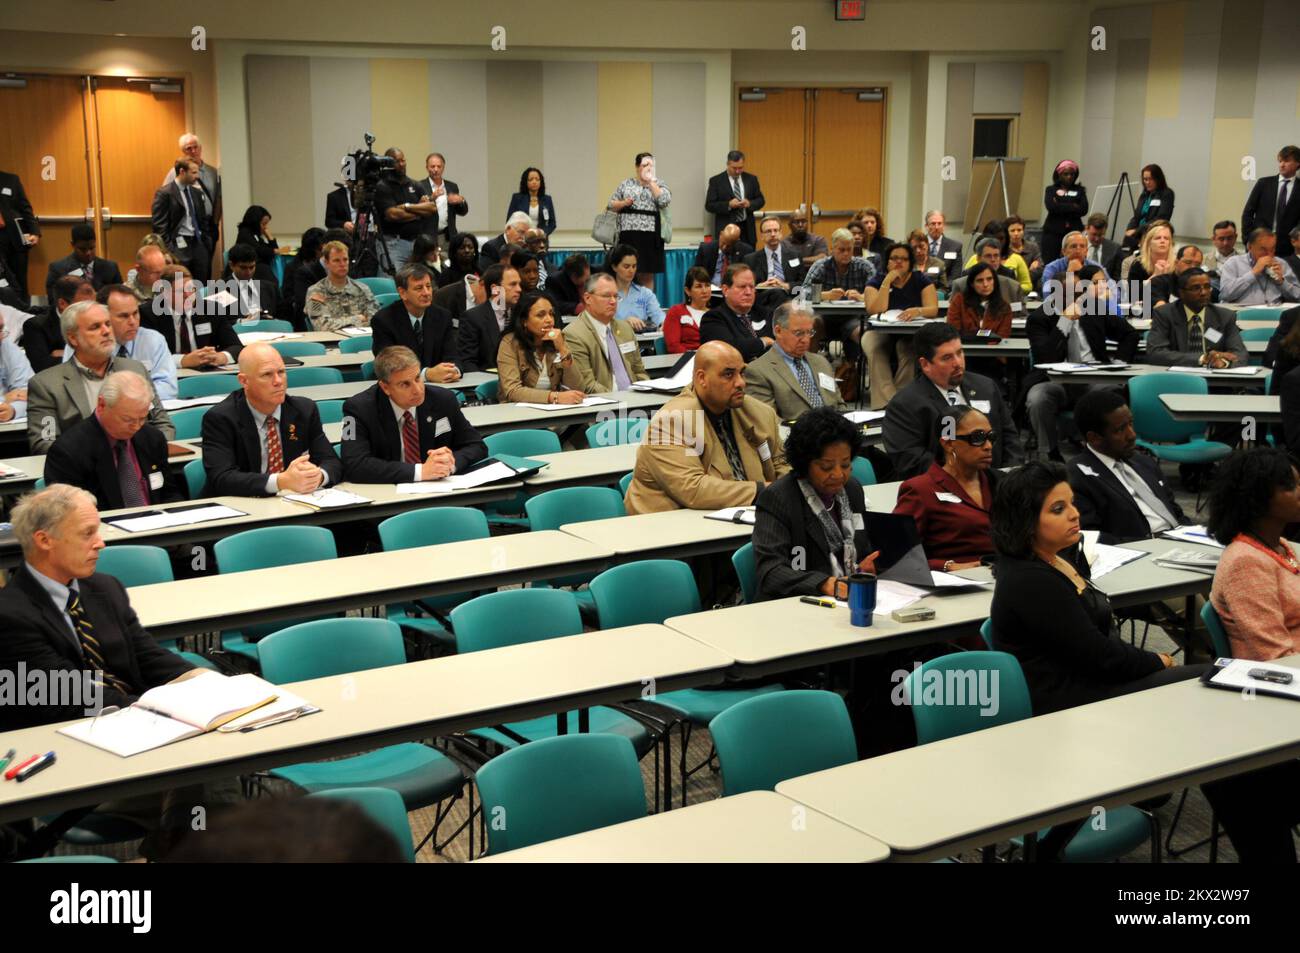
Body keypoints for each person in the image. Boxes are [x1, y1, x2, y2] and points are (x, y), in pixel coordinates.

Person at [0, 483, 199, 731]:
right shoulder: (10, 615)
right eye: (87, 533)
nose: (100, 543)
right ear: (44, 540)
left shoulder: (105, 587)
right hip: (66, 731)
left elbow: (146, 654)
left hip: (128, 716)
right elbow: (70, 695)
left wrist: (201, 680)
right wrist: (164, 714)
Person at [625, 340, 787, 513]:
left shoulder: (759, 412)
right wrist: (765, 491)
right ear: (702, 378)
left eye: (742, 373)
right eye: (728, 375)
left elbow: (782, 463)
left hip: (746, 514)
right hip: (670, 524)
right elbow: (693, 489)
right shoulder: (671, 421)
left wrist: (788, 489)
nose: (741, 383)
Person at [753, 407, 876, 599]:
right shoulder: (779, 498)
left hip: (848, 599)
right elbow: (771, 572)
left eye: (845, 464)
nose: (838, 474)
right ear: (804, 464)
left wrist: (865, 564)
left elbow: (861, 545)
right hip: (794, 607)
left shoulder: (852, 490)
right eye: (826, 467)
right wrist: (825, 584)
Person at [27, 300, 173, 454]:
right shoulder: (46, 385)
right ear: (73, 338)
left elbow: (162, 423)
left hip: (139, 463)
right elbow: (45, 443)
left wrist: (151, 452)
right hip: (84, 470)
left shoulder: (135, 369)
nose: (106, 331)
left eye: (108, 324)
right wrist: (100, 458)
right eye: (95, 327)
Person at [1024, 265, 1139, 460]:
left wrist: (1118, 361)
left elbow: (1130, 334)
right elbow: (1046, 357)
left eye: (1079, 291)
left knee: (1113, 391)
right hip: (1055, 381)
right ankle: (1049, 452)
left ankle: (1107, 449)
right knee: (1038, 398)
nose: (1077, 297)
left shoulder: (1093, 307)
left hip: (1092, 377)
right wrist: (1065, 320)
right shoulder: (1039, 318)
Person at [882, 322, 1022, 480]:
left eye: (960, 353)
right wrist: (965, 477)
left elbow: (1010, 437)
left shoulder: (986, 387)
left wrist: (1010, 476)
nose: (958, 363)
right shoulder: (905, 405)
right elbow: (911, 461)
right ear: (925, 364)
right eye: (947, 358)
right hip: (943, 488)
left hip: (998, 482)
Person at [200, 342, 341, 496]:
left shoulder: (304, 409)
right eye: (267, 374)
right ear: (244, 381)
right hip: (243, 504)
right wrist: (280, 481)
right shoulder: (221, 418)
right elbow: (222, 478)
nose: (278, 381)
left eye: (281, 372)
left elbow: (332, 462)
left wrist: (317, 476)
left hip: (292, 502)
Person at [342, 345, 487, 483]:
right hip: (389, 493)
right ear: (385, 387)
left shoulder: (444, 400)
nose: (417, 390)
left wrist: (449, 463)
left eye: (418, 378)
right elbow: (354, 464)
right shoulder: (356, 409)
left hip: (439, 488)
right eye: (405, 384)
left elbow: (477, 446)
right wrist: (420, 471)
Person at [43, 371, 183, 510]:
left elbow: (168, 492)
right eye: (127, 419)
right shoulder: (69, 451)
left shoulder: (152, 438)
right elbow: (69, 514)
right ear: (102, 405)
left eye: (142, 418)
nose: (136, 427)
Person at [1208, 447, 1300, 659]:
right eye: (1290, 486)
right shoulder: (1245, 562)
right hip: (1279, 679)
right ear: (1257, 498)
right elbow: (1276, 656)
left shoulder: (1281, 545)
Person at [1068, 386, 1187, 544]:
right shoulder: (1077, 477)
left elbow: (1175, 512)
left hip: (1180, 543)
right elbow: (1091, 537)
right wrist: (1153, 543)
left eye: (1131, 423)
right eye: (1120, 429)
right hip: (1140, 552)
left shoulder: (1144, 462)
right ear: (1095, 438)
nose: (1132, 435)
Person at [893, 405, 1001, 570]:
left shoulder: (999, 482)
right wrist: (948, 566)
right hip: (955, 584)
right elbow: (897, 554)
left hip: (1002, 575)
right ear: (949, 444)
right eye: (977, 437)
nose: (988, 446)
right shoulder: (920, 490)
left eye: (991, 437)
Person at [858, 242, 939, 408]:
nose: (899, 262)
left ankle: (902, 401)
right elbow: (875, 310)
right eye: (894, 258)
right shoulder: (876, 281)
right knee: (874, 348)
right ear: (887, 262)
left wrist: (918, 310)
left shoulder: (920, 279)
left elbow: (933, 309)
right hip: (878, 332)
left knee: (909, 350)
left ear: (911, 262)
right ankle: (886, 403)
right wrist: (887, 281)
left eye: (904, 259)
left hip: (910, 333)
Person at [743, 301, 845, 419]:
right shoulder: (759, 371)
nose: (806, 340)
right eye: (799, 333)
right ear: (778, 331)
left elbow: (839, 404)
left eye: (809, 332)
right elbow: (769, 422)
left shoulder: (821, 362)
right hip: (795, 434)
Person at [370, 263, 459, 384]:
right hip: (400, 388)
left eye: (428, 286)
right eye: (419, 288)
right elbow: (390, 367)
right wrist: (426, 374)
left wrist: (453, 371)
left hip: (440, 385)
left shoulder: (443, 316)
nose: (426, 293)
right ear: (403, 293)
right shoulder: (384, 320)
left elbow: (453, 356)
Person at [146, 264, 243, 369]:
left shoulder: (211, 309)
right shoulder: (149, 314)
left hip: (208, 373)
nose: (188, 296)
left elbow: (236, 346)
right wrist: (183, 360)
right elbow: (148, 357)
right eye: (180, 291)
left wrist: (221, 357)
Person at [564, 274, 649, 393]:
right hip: (604, 404)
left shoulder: (625, 328)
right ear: (588, 298)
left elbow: (639, 371)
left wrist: (645, 391)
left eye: (616, 296)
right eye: (606, 296)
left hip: (635, 399)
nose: (613, 301)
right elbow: (587, 385)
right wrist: (621, 399)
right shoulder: (574, 334)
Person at [496, 292, 585, 404]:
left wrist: (563, 349)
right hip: (517, 414)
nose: (549, 320)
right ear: (524, 321)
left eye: (551, 314)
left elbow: (578, 388)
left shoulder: (557, 340)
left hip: (554, 413)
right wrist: (555, 397)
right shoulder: (510, 343)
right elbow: (513, 391)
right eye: (540, 315)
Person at [1147, 268, 1248, 367]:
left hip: (1215, 377)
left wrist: (1223, 362)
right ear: (1181, 293)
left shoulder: (1225, 316)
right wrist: (1202, 359)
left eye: (1207, 287)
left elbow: (1240, 354)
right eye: (1196, 288)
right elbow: (1155, 353)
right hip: (1176, 376)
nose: (1203, 293)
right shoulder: (1164, 314)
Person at [94, 284, 177, 401]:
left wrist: (130, 399)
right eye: (123, 316)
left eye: (135, 313)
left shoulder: (153, 340)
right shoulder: (87, 345)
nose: (132, 322)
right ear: (103, 316)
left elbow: (168, 388)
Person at [608, 152, 672, 283]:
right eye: (645, 165)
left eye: (651, 165)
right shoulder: (626, 184)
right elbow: (611, 205)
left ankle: (645, 303)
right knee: (626, 272)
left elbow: (664, 200)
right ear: (637, 167)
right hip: (628, 236)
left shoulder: (659, 184)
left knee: (647, 274)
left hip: (650, 237)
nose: (649, 168)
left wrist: (651, 182)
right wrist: (624, 203)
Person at [374, 148, 437, 276]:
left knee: (416, 282)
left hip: (416, 244)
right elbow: (392, 214)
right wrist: (419, 210)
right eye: (397, 161)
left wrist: (407, 207)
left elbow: (431, 208)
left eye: (403, 160)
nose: (402, 164)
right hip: (393, 244)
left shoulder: (415, 184)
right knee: (393, 282)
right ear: (388, 165)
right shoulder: (382, 186)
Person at [150, 158, 212, 283]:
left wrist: (206, 241)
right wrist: (169, 250)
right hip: (178, 246)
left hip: (198, 243)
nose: (197, 176)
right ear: (182, 172)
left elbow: (203, 219)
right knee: (180, 283)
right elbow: (159, 225)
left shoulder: (196, 192)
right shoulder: (164, 193)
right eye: (193, 172)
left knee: (202, 281)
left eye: (197, 172)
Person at [20, 274, 94, 373]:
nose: (90, 310)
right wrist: (85, 356)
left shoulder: (98, 321)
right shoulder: (36, 326)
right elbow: (42, 366)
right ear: (62, 304)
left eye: (93, 304)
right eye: (83, 306)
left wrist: (66, 354)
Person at [700, 263, 771, 362]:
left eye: (751, 287)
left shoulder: (765, 313)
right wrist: (763, 342)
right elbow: (729, 350)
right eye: (742, 287)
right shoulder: (713, 318)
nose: (748, 292)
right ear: (725, 290)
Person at [457, 263, 520, 374]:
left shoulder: (522, 314)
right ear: (495, 289)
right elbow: (468, 361)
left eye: (519, 284)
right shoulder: (473, 318)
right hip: (487, 383)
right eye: (513, 285)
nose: (519, 289)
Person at [304, 240, 379, 333]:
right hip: (332, 343)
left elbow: (376, 320)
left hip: (362, 339)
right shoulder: (316, 291)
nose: (342, 264)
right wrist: (357, 319)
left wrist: (340, 324)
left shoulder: (362, 289)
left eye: (345, 259)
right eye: (336, 260)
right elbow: (323, 326)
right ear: (326, 263)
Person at [1242, 146, 1300, 256]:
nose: (1282, 165)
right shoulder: (1264, 183)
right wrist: (1247, 239)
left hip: (1287, 248)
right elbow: (1248, 213)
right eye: (1280, 161)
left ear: (1297, 163)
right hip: (1259, 243)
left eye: (1287, 161)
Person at [44, 223, 122, 304]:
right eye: (82, 249)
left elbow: (120, 298)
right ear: (72, 245)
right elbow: (54, 302)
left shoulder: (111, 267)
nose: (88, 253)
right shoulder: (58, 269)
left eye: (92, 248)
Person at [1218, 227, 1300, 305]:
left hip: (1274, 314)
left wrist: (1282, 282)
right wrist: (1253, 273)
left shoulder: (1281, 264)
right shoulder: (1233, 263)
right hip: (1242, 314)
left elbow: (1298, 296)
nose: (1269, 254)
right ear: (1249, 247)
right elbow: (1225, 295)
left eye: (1272, 249)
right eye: (1263, 249)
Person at [162, 133, 222, 233]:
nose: (193, 151)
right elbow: (165, 198)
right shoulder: (175, 172)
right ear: (183, 151)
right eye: (189, 148)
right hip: (185, 224)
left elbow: (218, 199)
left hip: (208, 224)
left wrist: (215, 223)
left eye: (196, 147)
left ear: (200, 148)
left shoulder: (213, 172)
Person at [704, 150, 764, 247]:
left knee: (748, 259)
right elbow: (709, 205)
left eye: (740, 168)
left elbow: (761, 200)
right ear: (728, 164)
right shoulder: (716, 181)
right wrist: (728, 205)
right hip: (727, 229)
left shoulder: (751, 179)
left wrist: (750, 203)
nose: (737, 171)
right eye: (734, 168)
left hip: (747, 229)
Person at [800, 228, 876, 301]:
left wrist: (861, 297)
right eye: (842, 250)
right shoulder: (820, 266)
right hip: (825, 313)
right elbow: (803, 293)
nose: (846, 253)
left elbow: (878, 293)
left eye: (849, 249)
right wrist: (825, 295)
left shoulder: (865, 266)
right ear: (832, 249)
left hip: (858, 313)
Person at [0, 167, 40, 299]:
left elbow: (25, 207)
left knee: (20, 281)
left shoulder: (11, 180)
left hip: (15, 240)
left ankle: (24, 313)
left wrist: (34, 232)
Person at [606, 243, 665, 331]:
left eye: (634, 266)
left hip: (643, 341)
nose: (631, 271)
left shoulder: (645, 293)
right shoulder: (605, 294)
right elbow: (601, 322)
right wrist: (624, 323)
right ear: (614, 267)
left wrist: (664, 323)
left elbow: (658, 315)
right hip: (615, 340)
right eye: (626, 267)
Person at [946, 261, 1013, 339]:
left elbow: (1003, 336)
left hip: (994, 349)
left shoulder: (1004, 307)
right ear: (972, 284)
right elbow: (953, 331)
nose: (985, 284)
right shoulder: (959, 301)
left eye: (989, 279)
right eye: (980, 280)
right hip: (965, 347)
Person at [1041, 159, 1088, 264]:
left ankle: (1070, 281)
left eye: (1072, 174)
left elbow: (1083, 209)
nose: (1069, 177)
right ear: (1059, 174)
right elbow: (1051, 207)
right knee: (1051, 263)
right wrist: (1073, 205)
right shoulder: (1051, 189)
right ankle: (1052, 281)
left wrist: (1060, 204)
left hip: (1074, 232)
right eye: (1066, 174)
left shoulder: (1080, 190)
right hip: (1053, 233)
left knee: (1074, 262)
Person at [962, 224, 1032, 294]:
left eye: (996, 256)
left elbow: (1015, 300)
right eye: (988, 256)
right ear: (978, 258)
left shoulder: (1008, 274)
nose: (993, 259)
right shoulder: (967, 275)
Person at [418, 152, 469, 244]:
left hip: (448, 236)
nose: (436, 169)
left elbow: (462, 212)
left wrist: (461, 200)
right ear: (427, 168)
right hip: (427, 236)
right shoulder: (420, 186)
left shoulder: (452, 186)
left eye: (439, 166)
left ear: (443, 168)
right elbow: (416, 211)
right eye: (432, 166)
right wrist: (431, 198)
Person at [223, 243, 281, 325]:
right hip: (239, 335)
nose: (248, 272)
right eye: (243, 268)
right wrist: (241, 322)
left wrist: (273, 320)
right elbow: (217, 323)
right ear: (231, 265)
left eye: (252, 267)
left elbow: (284, 317)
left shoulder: (270, 288)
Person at [281, 228, 326, 330]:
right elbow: (288, 297)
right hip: (301, 313)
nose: (324, 254)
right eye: (321, 250)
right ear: (312, 249)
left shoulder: (326, 265)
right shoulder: (293, 267)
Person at [746, 215, 803, 296]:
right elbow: (745, 285)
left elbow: (803, 284)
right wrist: (759, 287)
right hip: (762, 299)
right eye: (768, 231)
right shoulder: (750, 259)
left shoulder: (795, 256)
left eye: (776, 230)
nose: (773, 234)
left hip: (788, 299)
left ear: (781, 233)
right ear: (762, 236)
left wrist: (785, 285)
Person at [662, 266, 711, 354]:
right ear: (688, 291)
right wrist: (695, 358)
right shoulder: (676, 311)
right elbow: (673, 346)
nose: (704, 290)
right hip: (685, 360)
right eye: (698, 286)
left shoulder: (715, 314)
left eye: (707, 285)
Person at [1123, 163, 1175, 244]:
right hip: (1138, 235)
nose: (1147, 182)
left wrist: (1136, 231)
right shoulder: (1144, 195)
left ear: (1158, 179)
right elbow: (1136, 217)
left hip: (1154, 235)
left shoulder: (1166, 194)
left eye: (1150, 179)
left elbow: (1161, 218)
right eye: (1145, 179)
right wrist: (1129, 229)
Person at [695, 224, 755, 288]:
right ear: (721, 234)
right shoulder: (705, 249)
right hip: (710, 291)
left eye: (729, 245)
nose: (724, 247)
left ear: (737, 241)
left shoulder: (746, 251)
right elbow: (697, 275)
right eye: (723, 243)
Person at [0, 307, 33, 423]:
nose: (0, 337)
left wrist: (13, 410)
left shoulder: (5, 346)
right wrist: (4, 399)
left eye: (0, 329)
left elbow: (30, 393)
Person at [506, 167, 556, 236]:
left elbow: (552, 223)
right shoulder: (517, 198)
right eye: (531, 179)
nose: (534, 182)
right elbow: (510, 220)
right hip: (522, 237)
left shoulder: (547, 199)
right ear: (525, 182)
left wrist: (543, 232)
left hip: (540, 238)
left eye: (537, 179)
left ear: (541, 182)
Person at [546, 254, 591, 319]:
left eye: (587, 280)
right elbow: (553, 304)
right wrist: (576, 307)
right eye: (585, 280)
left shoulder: (597, 273)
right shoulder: (554, 280)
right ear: (572, 276)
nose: (585, 284)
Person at [923, 210, 964, 282]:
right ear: (926, 226)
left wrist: (943, 290)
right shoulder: (918, 246)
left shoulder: (955, 247)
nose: (936, 227)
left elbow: (955, 276)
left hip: (945, 289)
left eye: (939, 224)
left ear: (944, 226)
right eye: (933, 224)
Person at [909, 228, 950, 295]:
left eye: (921, 246)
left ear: (927, 245)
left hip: (933, 298)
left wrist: (933, 294)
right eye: (914, 248)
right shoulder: (907, 265)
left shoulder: (939, 264)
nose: (918, 250)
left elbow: (944, 288)